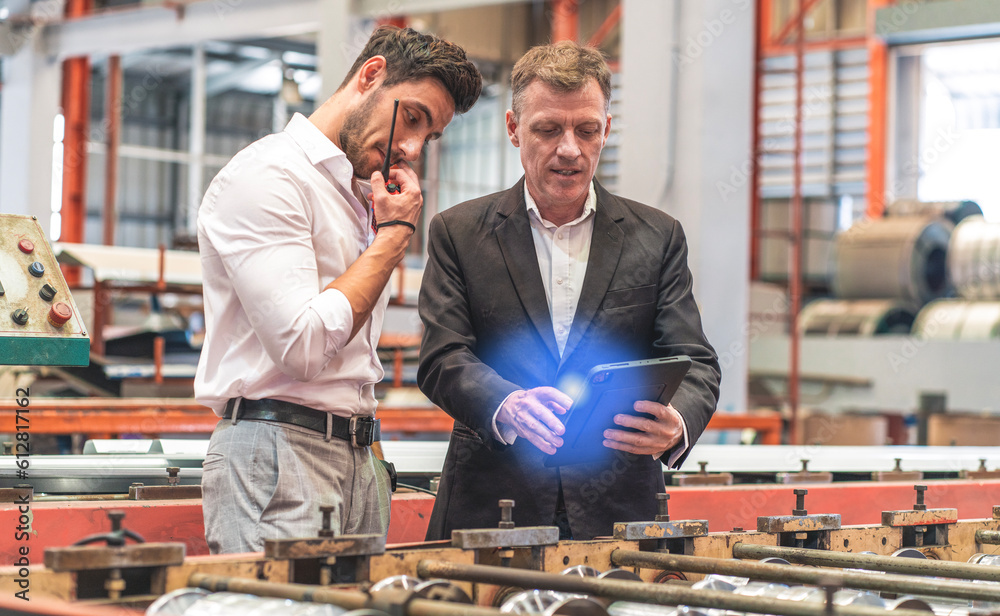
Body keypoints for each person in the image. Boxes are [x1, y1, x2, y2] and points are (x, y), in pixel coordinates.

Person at [194, 26, 482, 554]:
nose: (414, 148)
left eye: (430, 135)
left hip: (358, 456)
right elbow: (302, 347)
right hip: (279, 452)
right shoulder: (270, 177)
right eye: (412, 117)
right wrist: (393, 238)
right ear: (371, 75)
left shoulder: (355, 196)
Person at [417, 41, 720, 541]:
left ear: (607, 128)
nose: (569, 149)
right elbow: (442, 356)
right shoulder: (458, 232)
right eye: (548, 129)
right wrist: (505, 403)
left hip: (618, 509)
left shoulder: (657, 236)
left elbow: (696, 360)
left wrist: (678, 422)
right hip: (492, 504)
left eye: (587, 130)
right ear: (514, 129)